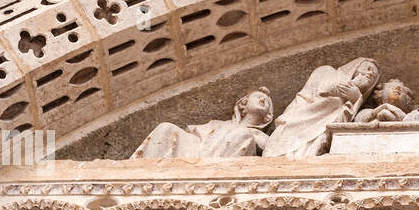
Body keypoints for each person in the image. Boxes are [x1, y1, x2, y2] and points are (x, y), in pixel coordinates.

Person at [263, 58, 380, 157]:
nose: (370, 74)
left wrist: (356, 99)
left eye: (373, 77)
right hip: (297, 123)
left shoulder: (354, 100)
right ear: (356, 66)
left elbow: (339, 124)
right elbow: (324, 89)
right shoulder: (327, 71)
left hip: (318, 134)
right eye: (368, 69)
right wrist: (353, 86)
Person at [132, 87, 274, 157]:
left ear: (268, 116)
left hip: (225, 170)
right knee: (166, 128)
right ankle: (141, 177)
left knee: (243, 134)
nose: (262, 100)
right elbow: (194, 138)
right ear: (243, 103)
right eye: (258, 97)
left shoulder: (259, 136)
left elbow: (272, 153)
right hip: (198, 154)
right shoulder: (218, 124)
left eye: (266, 102)